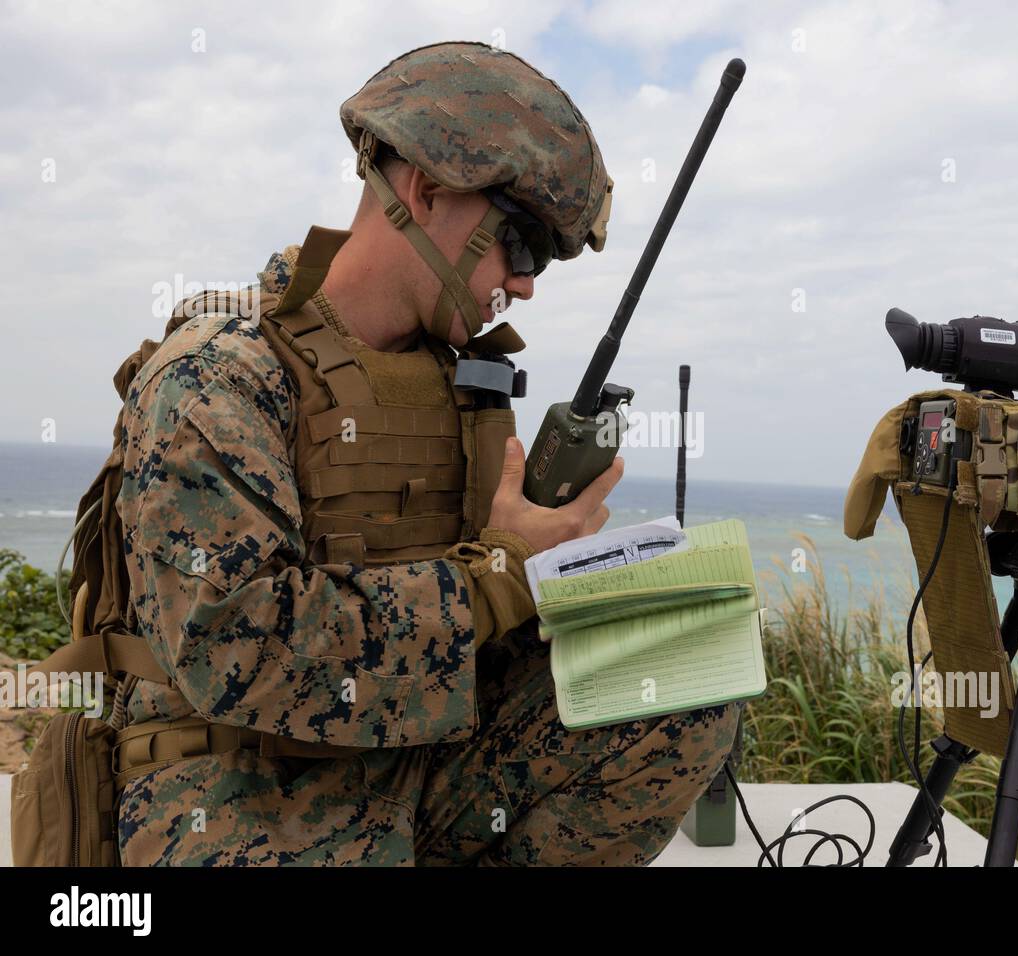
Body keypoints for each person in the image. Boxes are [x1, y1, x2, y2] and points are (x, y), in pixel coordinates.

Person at [113, 41, 740, 866]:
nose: (524, 286)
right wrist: (498, 578)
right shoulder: (219, 373)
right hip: (244, 782)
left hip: (416, 759)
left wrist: (567, 578)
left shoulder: (459, 385)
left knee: (684, 678)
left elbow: (493, 608)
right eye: (521, 246)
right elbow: (230, 646)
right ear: (428, 189)